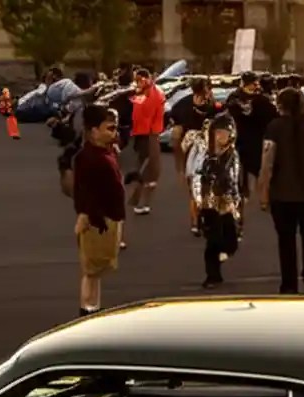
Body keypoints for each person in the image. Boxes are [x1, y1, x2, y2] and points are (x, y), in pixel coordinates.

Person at [259, 87, 304, 295]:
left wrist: (264, 192)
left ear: (281, 105)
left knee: (286, 241)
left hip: (281, 194)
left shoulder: (274, 127)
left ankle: (289, 284)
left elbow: (267, 162)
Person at [72, 105, 125, 317]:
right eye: (109, 129)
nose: (114, 133)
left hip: (109, 216)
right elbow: (82, 191)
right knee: (91, 270)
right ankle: (87, 309)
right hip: (97, 219)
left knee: (98, 269)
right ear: (94, 131)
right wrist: (84, 215)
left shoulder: (106, 151)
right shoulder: (87, 157)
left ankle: (95, 306)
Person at [191, 114, 242, 289]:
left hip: (226, 200)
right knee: (212, 239)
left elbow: (235, 178)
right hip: (209, 200)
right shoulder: (205, 154)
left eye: (223, 132)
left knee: (231, 237)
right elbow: (196, 176)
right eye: (217, 133)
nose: (219, 136)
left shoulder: (232, 155)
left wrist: (236, 199)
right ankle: (212, 275)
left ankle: (225, 251)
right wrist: (198, 198)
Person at [227, 71, 279, 236]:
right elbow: (273, 117)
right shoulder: (262, 100)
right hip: (255, 140)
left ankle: (245, 198)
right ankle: (261, 199)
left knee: (243, 172)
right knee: (259, 172)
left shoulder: (234, 99)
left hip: (240, 140)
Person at [170, 76, 221, 235]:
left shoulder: (183, 104)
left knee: (196, 187)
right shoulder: (214, 107)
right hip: (202, 149)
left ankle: (196, 222)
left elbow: (176, 135)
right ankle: (203, 219)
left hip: (191, 149)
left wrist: (178, 164)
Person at [125, 68, 165, 215]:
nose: (136, 83)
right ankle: (140, 201)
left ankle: (141, 201)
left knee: (148, 170)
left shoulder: (152, 94)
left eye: (138, 80)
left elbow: (142, 112)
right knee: (147, 169)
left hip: (148, 135)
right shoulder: (147, 93)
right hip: (145, 135)